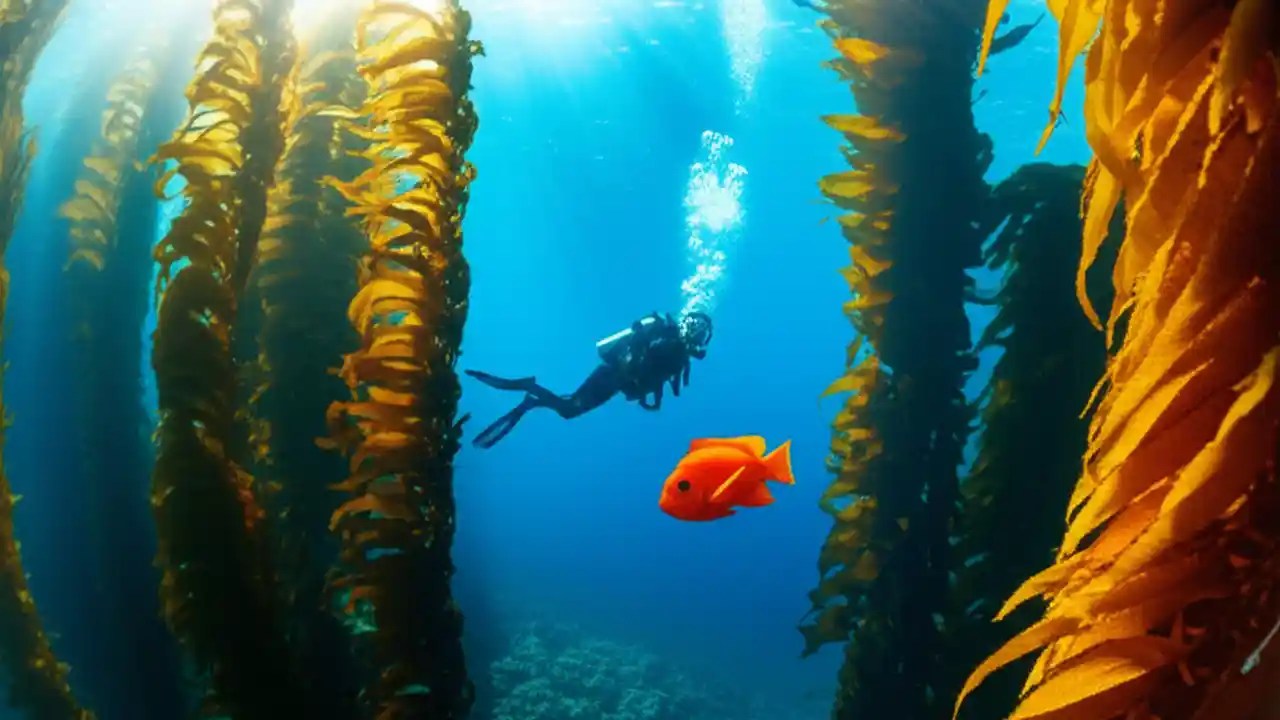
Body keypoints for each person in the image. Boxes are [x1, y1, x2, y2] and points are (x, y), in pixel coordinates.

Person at [465, 311, 714, 449]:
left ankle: (532, 397)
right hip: (611, 375)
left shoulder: (679, 361)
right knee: (569, 410)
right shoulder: (666, 337)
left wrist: (649, 396)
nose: (696, 335)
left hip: (616, 382)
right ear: (687, 324)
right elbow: (640, 348)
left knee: (569, 407)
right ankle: (529, 390)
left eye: (701, 334)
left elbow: (657, 384)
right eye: (696, 328)